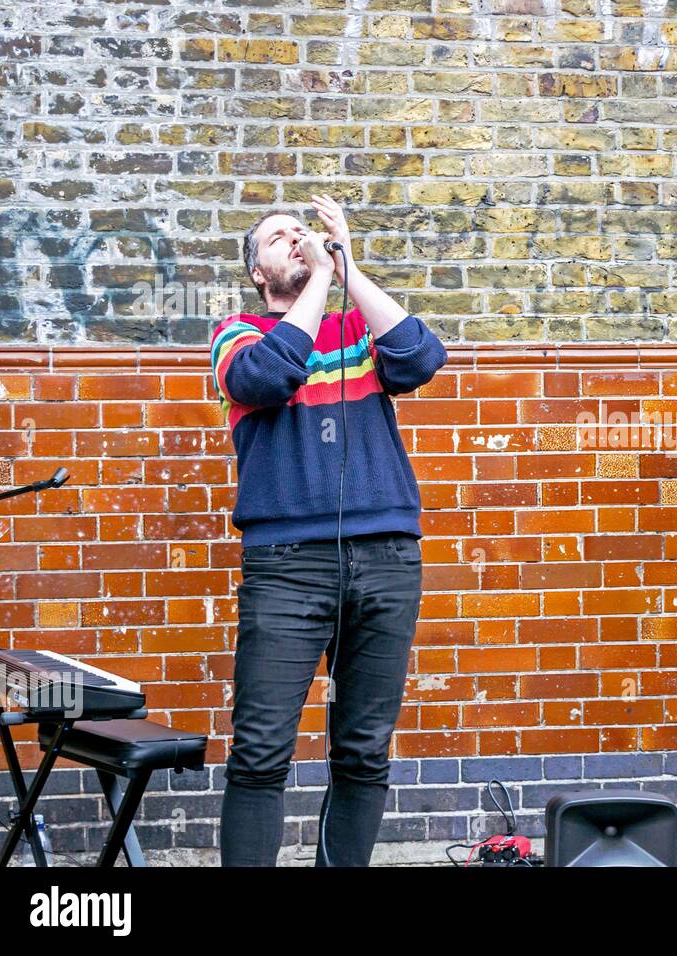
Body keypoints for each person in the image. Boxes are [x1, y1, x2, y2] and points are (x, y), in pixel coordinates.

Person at [210, 194, 447, 866]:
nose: (297, 240)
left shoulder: (358, 331)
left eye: (303, 232)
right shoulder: (238, 334)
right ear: (258, 273)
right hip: (286, 565)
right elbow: (271, 375)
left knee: (364, 751)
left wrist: (346, 269)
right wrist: (319, 279)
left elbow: (421, 356)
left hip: (388, 557)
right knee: (259, 752)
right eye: (279, 239)